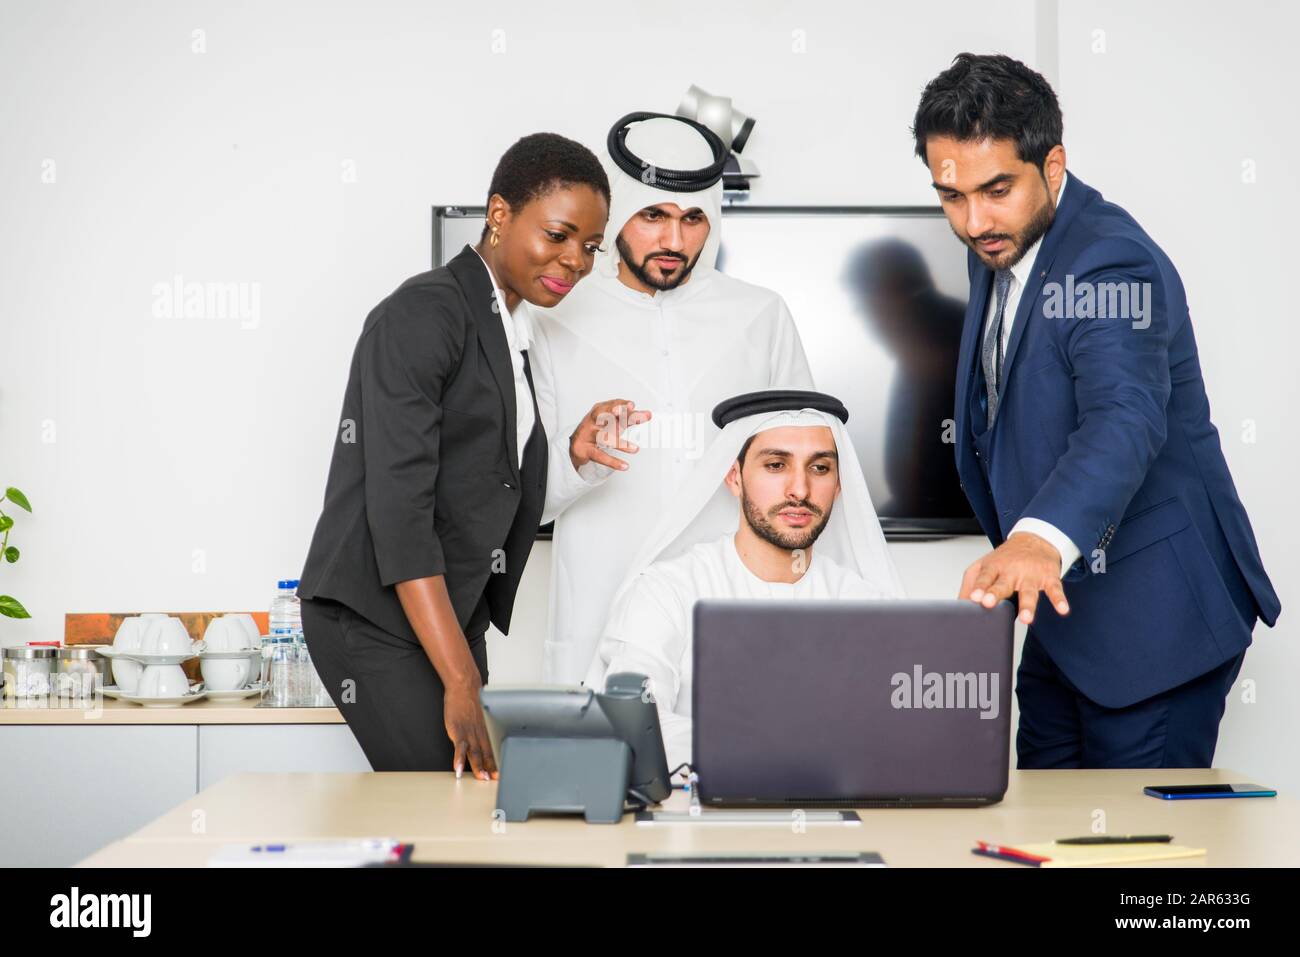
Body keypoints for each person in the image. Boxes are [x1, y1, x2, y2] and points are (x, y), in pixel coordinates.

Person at [911, 53, 1280, 767]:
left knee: (1137, 855)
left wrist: (1038, 538)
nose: (974, 220)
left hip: (1154, 622)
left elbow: (1124, 416)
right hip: (1064, 619)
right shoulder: (1000, 241)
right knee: (1042, 834)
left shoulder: (1109, 260)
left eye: (996, 189)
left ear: (1053, 166)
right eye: (951, 196)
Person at [297, 133, 611, 776]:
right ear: (499, 214)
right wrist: (463, 681)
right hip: (374, 615)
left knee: (471, 798)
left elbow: (485, 491)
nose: (575, 260)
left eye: (590, 246)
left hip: (449, 611)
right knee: (449, 795)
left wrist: (565, 458)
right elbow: (401, 512)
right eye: (558, 234)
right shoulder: (424, 313)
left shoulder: (513, 334)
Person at [530, 111, 815, 685]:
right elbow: (518, 503)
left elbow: (810, 472)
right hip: (597, 621)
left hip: (731, 619)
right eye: (652, 216)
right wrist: (573, 459)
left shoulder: (759, 315)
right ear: (615, 218)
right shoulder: (553, 316)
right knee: (603, 773)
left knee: (744, 771)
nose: (673, 240)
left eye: (692, 219)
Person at [586, 390, 904, 772]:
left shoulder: (866, 605)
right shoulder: (665, 592)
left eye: (819, 468)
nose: (799, 490)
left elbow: (893, 735)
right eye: (775, 465)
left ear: (838, 486)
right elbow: (634, 718)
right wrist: (775, 750)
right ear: (734, 478)